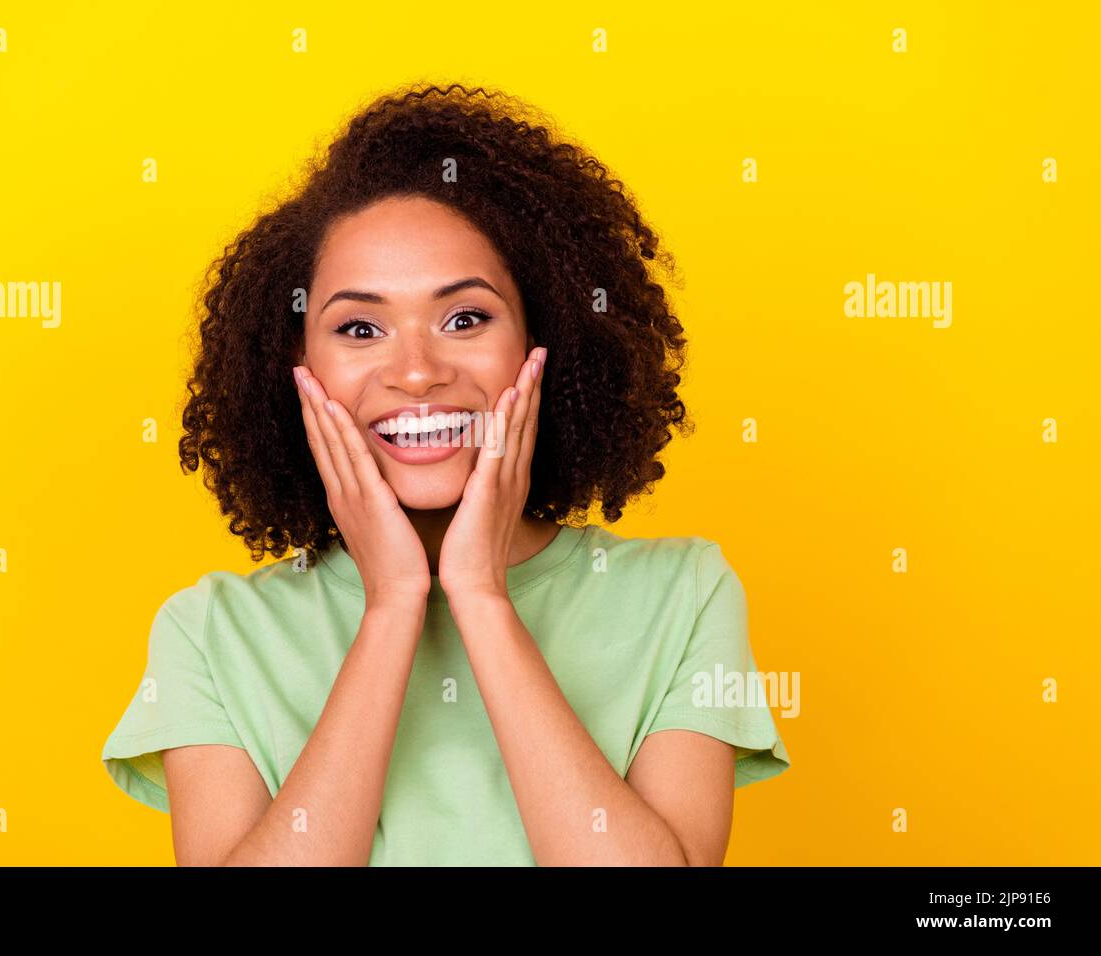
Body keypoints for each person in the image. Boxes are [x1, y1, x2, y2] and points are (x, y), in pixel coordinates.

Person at [102, 82, 791, 866]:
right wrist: (393, 604)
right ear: (298, 369)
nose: (418, 372)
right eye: (360, 328)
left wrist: (482, 597)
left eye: (465, 318)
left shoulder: (685, 596)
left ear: (545, 336)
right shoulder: (211, 635)